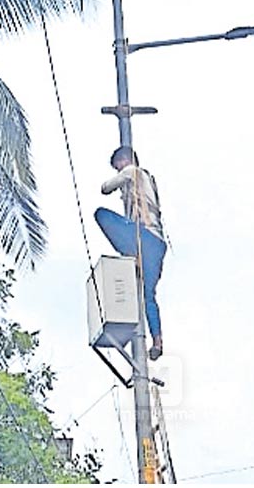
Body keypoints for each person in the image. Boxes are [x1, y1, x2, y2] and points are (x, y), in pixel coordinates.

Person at [94, 146, 168, 360]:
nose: (118, 168)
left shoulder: (132, 171)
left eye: (117, 164)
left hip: (143, 237)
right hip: (157, 243)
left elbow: (105, 188)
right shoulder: (148, 180)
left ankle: (130, 253)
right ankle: (157, 340)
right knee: (148, 296)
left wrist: (120, 177)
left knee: (101, 215)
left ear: (124, 160)